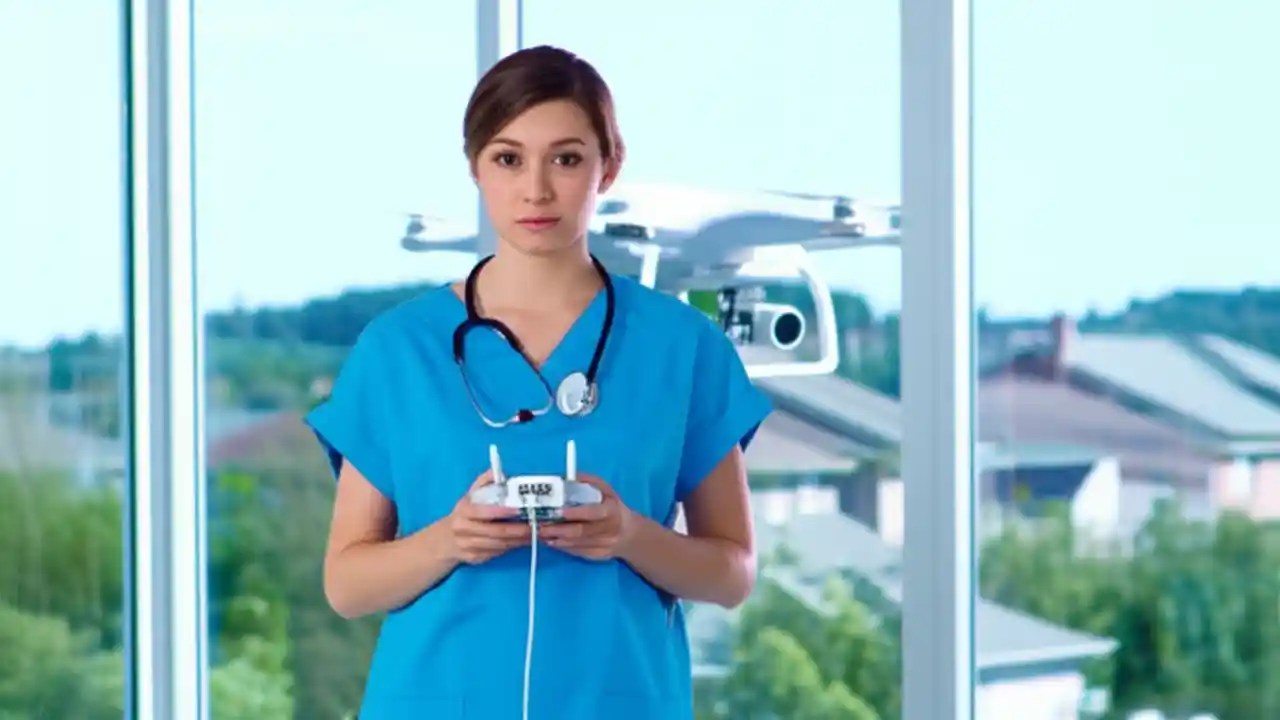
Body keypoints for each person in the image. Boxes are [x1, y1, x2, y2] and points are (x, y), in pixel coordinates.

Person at [306, 44, 772, 720]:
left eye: (566, 158)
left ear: (608, 167)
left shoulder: (684, 348)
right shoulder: (398, 351)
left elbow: (732, 575)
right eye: (508, 158)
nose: (536, 189)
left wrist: (629, 536)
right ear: (475, 168)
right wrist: (450, 540)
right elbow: (347, 585)